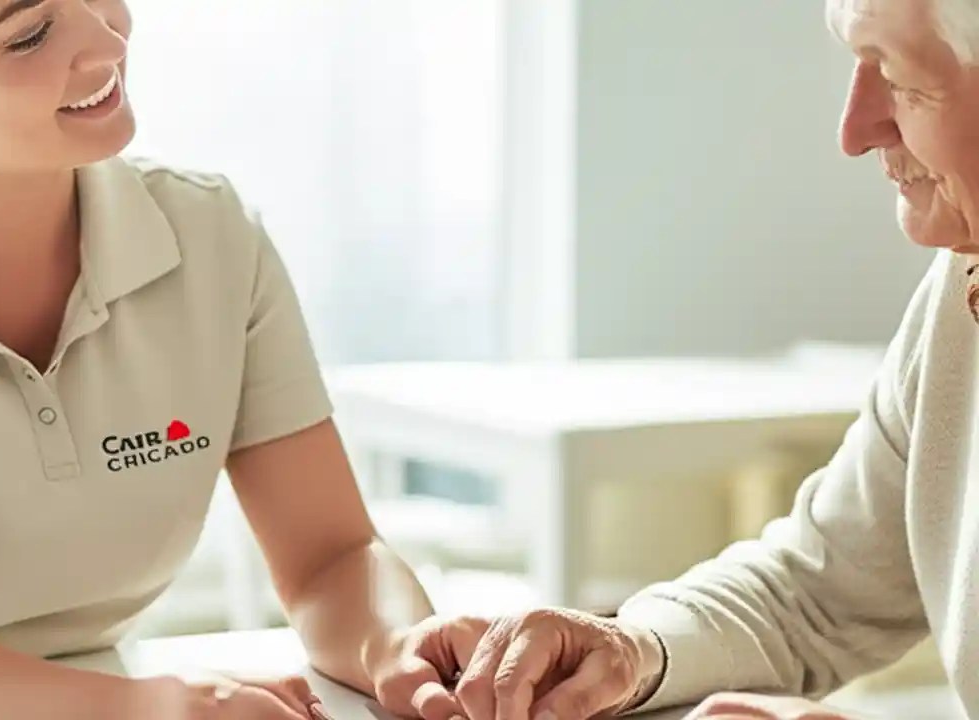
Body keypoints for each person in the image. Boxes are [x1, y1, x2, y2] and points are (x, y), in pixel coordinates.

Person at [0, 1, 468, 718]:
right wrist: (152, 706)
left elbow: (333, 555)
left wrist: (396, 645)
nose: (107, 40)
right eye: (29, 34)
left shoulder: (212, 234)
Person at [384, 0, 979, 718]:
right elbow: (813, 594)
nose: (855, 132)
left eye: (905, 79)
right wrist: (630, 649)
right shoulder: (959, 289)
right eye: (863, 65)